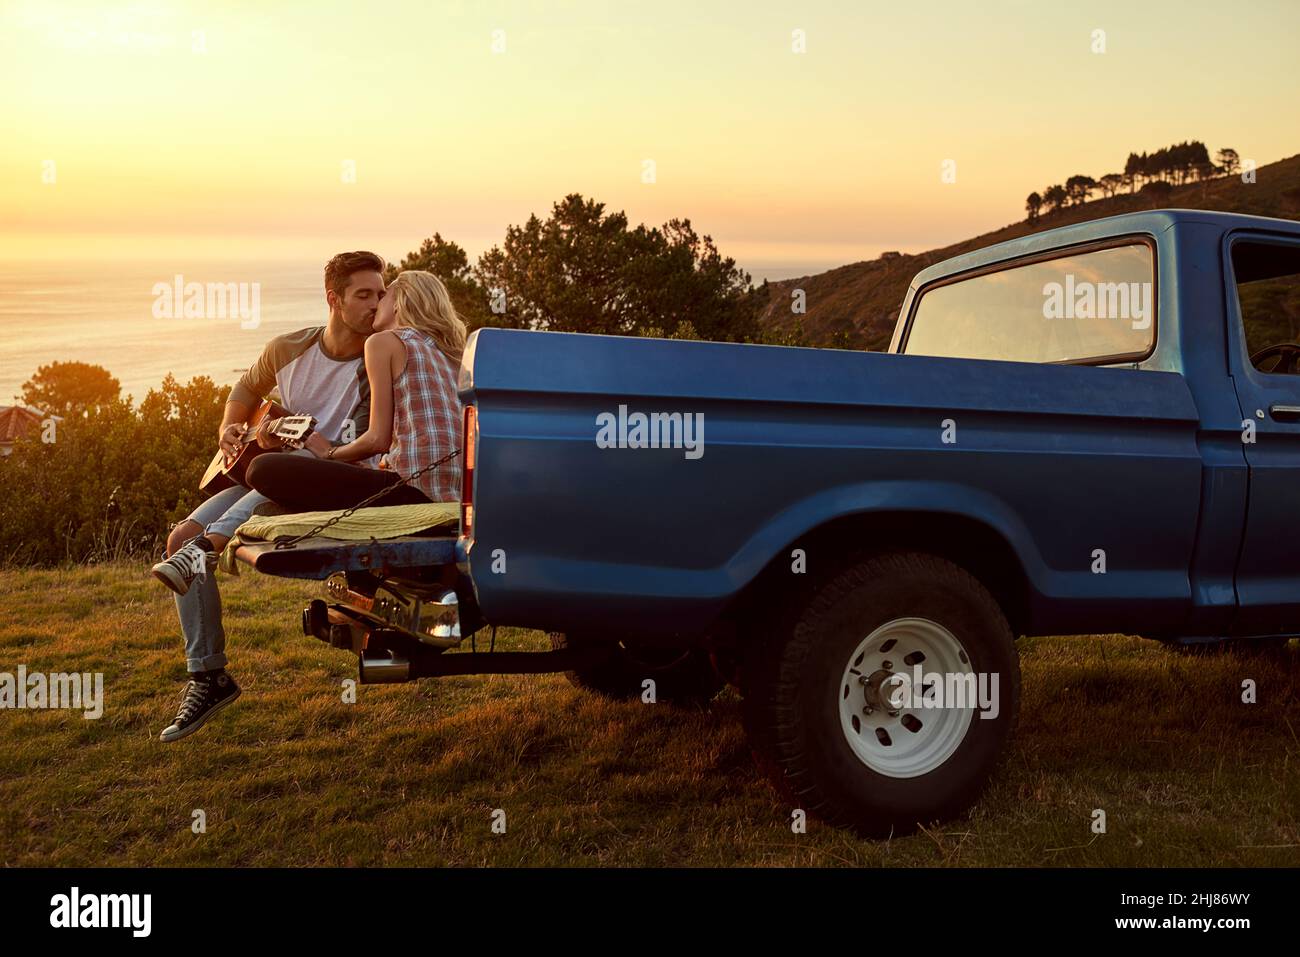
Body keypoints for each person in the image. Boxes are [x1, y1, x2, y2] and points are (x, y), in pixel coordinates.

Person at [149, 250, 387, 742]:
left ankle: (206, 549)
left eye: (380, 294)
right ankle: (209, 676)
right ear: (334, 299)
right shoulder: (288, 349)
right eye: (364, 294)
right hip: (265, 469)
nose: (375, 305)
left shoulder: (380, 359)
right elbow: (245, 387)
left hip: (326, 479)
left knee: (275, 477)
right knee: (178, 538)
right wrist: (231, 429)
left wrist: (311, 450)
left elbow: (361, 451)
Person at [244, 270, 465, 511]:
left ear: (398, 305)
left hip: (410, 490)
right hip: (457, 491)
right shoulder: (454, 355)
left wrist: (330, 452)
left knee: (262, 469)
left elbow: (376, 439)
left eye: (384, 296)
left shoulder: (383, 342)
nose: (376, 305)